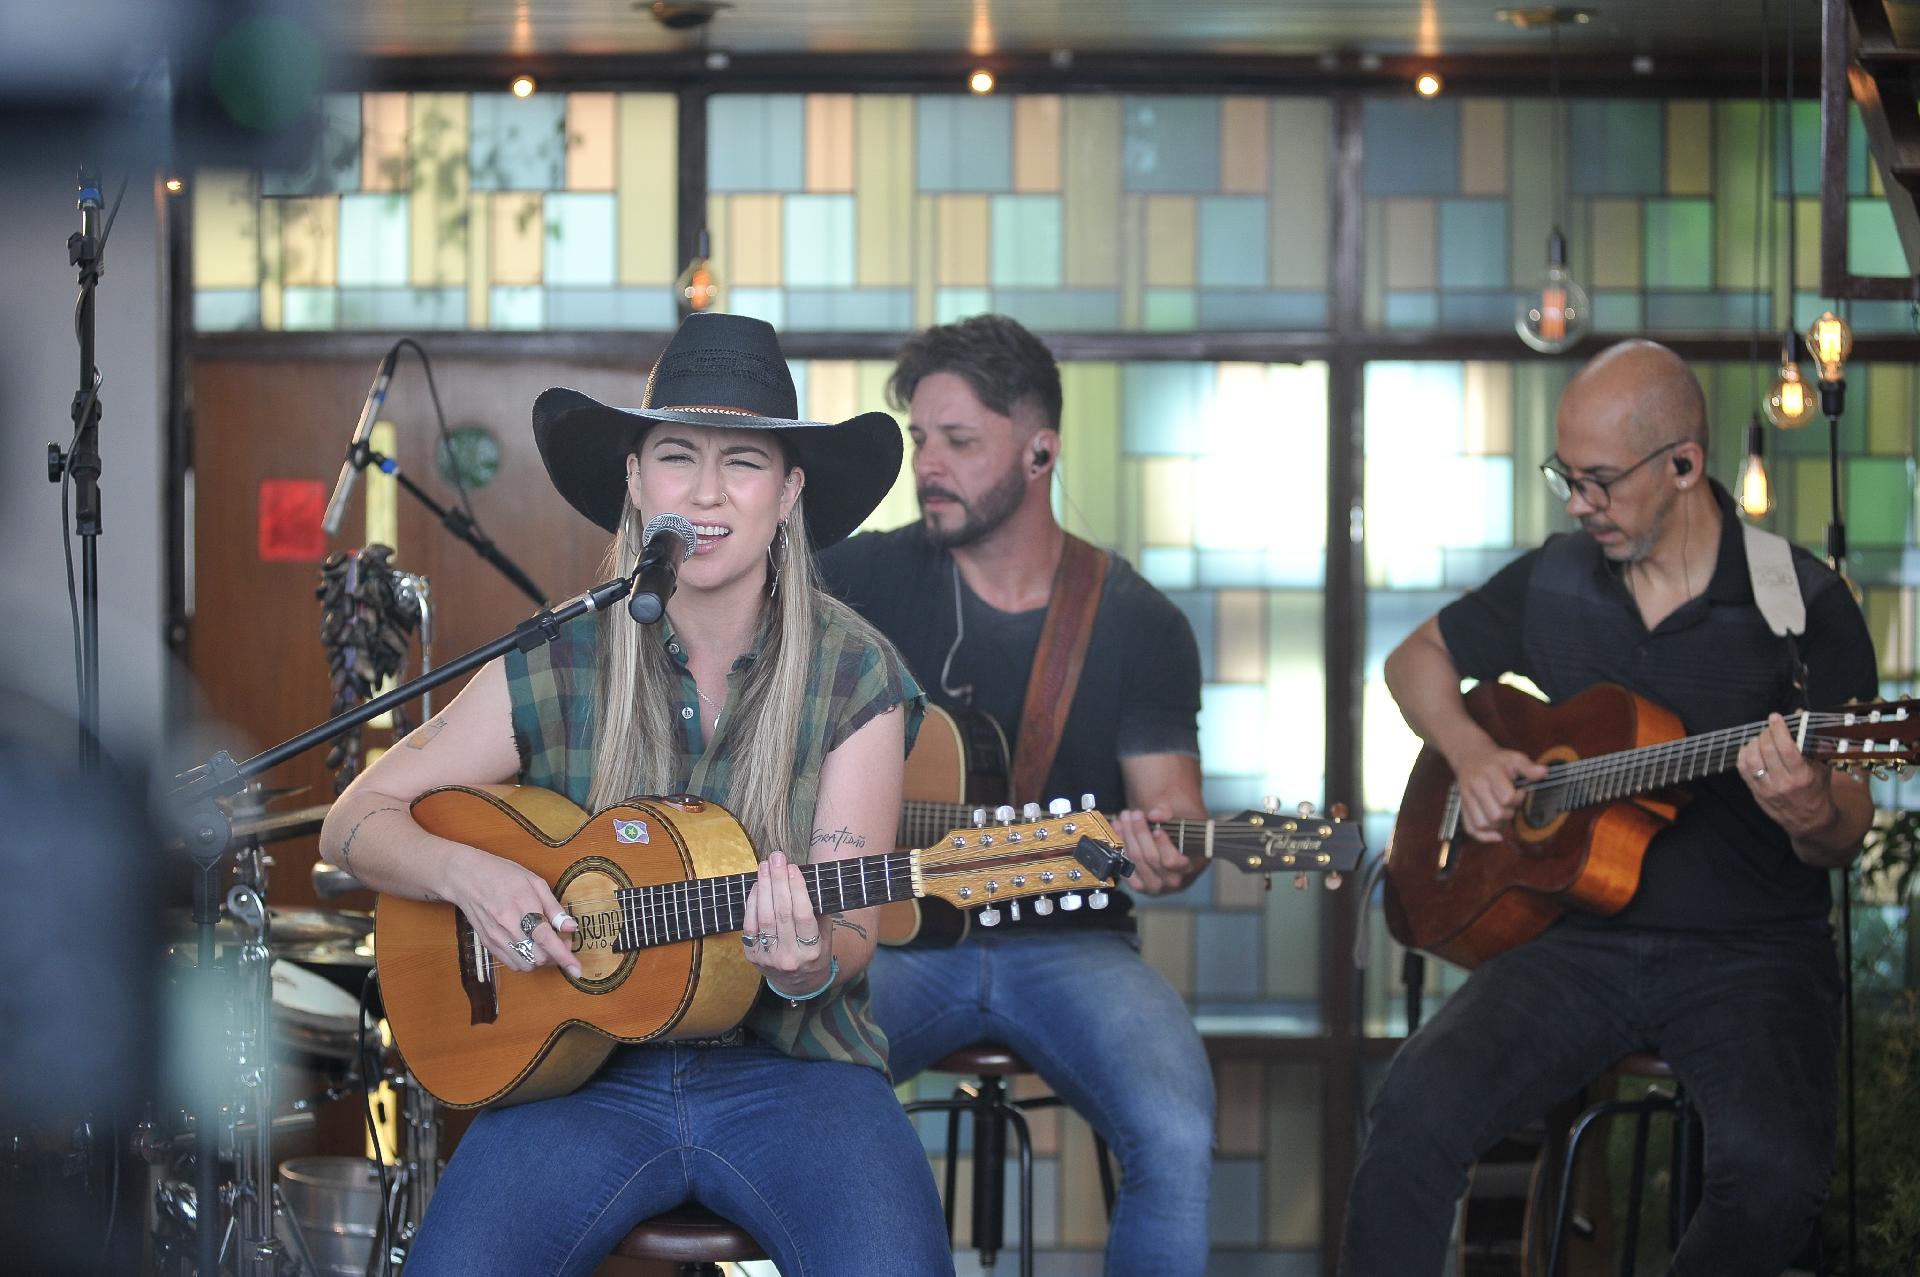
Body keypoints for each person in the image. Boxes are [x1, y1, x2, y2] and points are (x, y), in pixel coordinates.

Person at [318, 313, 955, 1277]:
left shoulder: (852, 671)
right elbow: (352, 819)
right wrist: (468, 875)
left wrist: (799, 962)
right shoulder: (562, 657)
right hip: (580, 1073)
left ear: (789, 492)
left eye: (743, 462)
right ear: (634, 478)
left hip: (795, 1075)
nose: (705, 492)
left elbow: (853, 920)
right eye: (675, 455)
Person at [1342, 340, 1878, 1275]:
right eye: (1566, 477)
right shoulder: (1553, 578)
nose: (1577, 503)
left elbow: (1845, 828)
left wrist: (1806, 812)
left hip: (1749, 954)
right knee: (1415, 1106)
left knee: (1775, 1173)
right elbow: (1412, 660)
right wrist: (1472, 755)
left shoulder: (1804, 606)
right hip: (1574, 944)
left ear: (1684, 465)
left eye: (1598, 481)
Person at [818, 313, 1216, 1276]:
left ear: (1041, 450)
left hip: (1070, 945)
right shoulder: (856, 579)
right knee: (791, 1102)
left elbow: (1175, 814)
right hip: (896, 943)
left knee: (1176, 1134)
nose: (929, 465)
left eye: (960, 441)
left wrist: (1174, 851)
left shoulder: (1135, 622)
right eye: (921, 439)